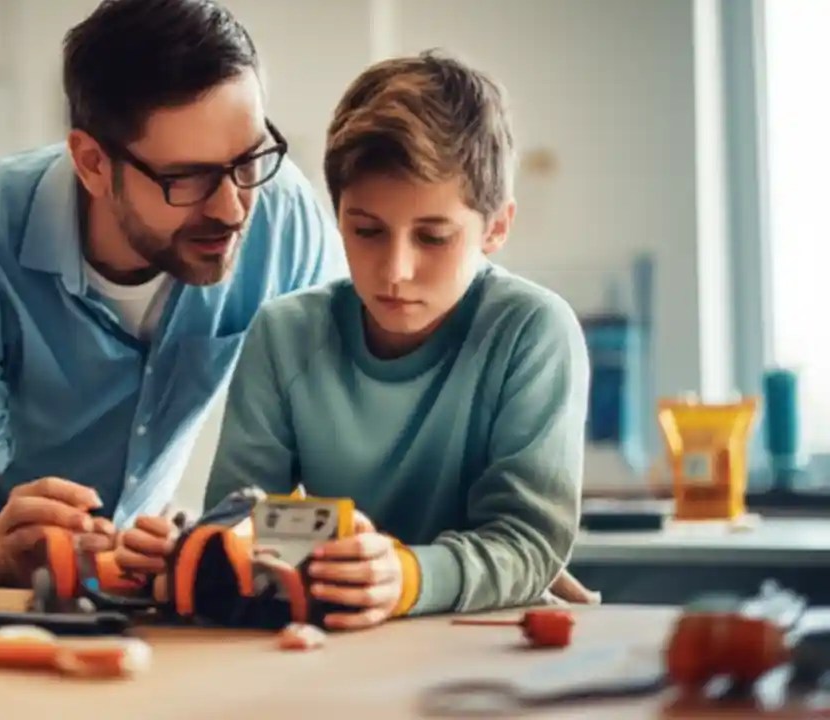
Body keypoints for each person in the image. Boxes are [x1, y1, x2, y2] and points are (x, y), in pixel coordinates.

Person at [0, 0, 346, 584]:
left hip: (131, 566)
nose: (231, 208)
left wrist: (261, 565)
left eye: (248, 159)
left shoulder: (283, 217)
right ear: (93, 164)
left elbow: (326, 465)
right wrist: (23, 554)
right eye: (187, 178)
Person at [116, 51, 595, 628]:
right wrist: (190, 550)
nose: (395, 271)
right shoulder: (285, 332)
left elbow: (528, 542)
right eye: (366, 230)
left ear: (495, 227)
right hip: (331, 639)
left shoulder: (533, 331)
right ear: (338, 214)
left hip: (480, 643)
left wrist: (406, 575)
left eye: (433, 237)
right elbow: (239, 518)